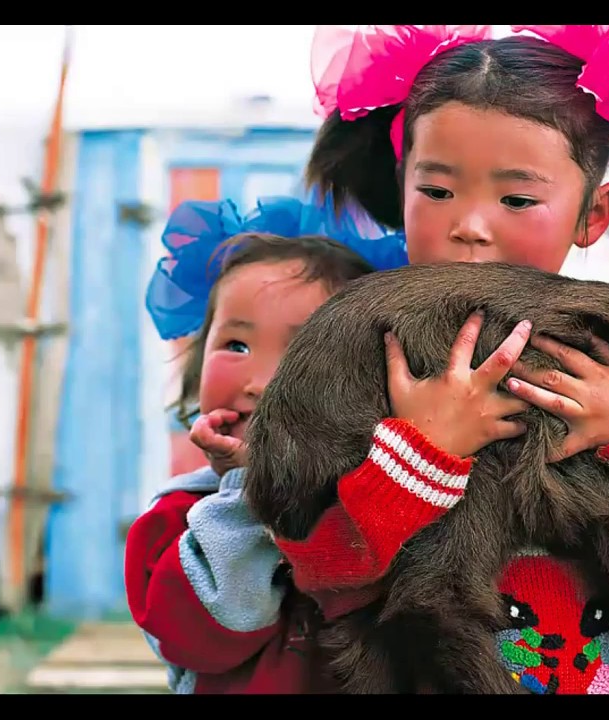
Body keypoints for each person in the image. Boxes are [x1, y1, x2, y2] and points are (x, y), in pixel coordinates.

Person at [270, 25, 609, 695]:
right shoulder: (362, 363)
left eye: (518, 199)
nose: (470, 224)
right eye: (438, 191)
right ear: (401, 183)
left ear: (594, 212)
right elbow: (317, 569)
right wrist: (419, 456)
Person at [124, 196, 407, 693]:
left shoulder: (386, 499)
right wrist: (253, 492)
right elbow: (204, 638)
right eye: (235, 345)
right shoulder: (178, 517)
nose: (262, 382)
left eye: (303, 350)